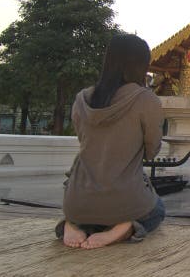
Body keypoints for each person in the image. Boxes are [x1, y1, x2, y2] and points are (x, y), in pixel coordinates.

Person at [56, 34, 165, 249]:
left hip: (77, 201)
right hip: (123, 199)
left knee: (91, 210)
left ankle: (71, 223)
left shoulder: (82, 99)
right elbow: (152, 150)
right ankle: (126, 227)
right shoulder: (145, 99)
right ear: (141, 66)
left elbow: (84, 140)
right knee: (158, 210)